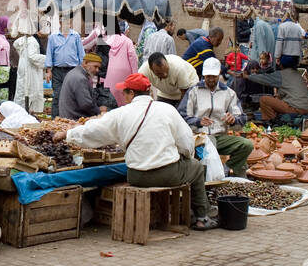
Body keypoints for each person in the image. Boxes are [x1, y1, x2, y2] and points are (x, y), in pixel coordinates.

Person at [60, 72, 215, 230]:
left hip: (136, 176)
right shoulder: (167, 109)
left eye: (124, 92)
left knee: (188, 165)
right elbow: (186, 141)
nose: (123, 96)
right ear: (149, 92)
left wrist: (68, 134)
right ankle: (202, 217)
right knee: (195, 167)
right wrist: (185, 156)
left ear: (132, 93)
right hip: (168, 174)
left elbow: (93, 131)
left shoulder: (120, 114)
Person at [185, 58, 253, 177]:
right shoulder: (194, 91)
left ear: (219, 73)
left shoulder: (228, 93)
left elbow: (241, 119)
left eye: (214, 76)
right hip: (200, 138)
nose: (211, 79)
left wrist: (233, 120)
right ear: (203, 75)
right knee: (209, 143)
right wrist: (198, 121)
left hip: (221, 137)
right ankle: (208, 178)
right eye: (208, 76)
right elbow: (182, 117)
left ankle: (227, 168)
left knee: (247, 145)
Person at [44, 18, 84, 117]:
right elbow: (49, 54)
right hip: (58, 71)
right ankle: (55, 119)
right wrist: (48, 71)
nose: (67, 24)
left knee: (73, 95)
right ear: (60, 22)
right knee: (57, 95)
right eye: (64, 22)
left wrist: (82, 71)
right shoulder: (53, 37)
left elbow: (81, 54)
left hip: (73, 70)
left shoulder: (75, 36)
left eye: (69, 22)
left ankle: (71, 119)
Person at [13, 24, 48, 114]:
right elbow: (32, 57)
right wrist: (49, 59)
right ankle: (29, 113)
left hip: (24, 68)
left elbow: (16, 44)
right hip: (30, 70)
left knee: (22, 91)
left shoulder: (24, 39)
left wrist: (22, 56)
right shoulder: (32, 41)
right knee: (30, 91)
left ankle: (20, 112)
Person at [58, 53, 104, 120]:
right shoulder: (80, 78)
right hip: (74, 118)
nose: (97, 70)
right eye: (95, 66)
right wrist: (100, 112)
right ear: (85, 63)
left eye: (98, 68)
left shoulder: (75, 73)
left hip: (69, 115)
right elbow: (86, 105)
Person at [101, 20, 139, 98]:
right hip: (125, 75)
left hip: (108, 74)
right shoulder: (128, 41)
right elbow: (133, 59)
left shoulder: (105, 40)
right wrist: (135, 76)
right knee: (124, 98)